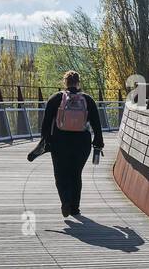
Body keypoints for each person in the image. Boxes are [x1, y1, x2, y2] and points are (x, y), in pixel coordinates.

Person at [40, 71, 104, 217]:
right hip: (82, 143)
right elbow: (96, 123)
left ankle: (65, 201)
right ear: (78, 82)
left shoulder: (56, 99)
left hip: (59, 142)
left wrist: (46, 141)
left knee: (61, 174)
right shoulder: (87, 100)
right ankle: (75, 208)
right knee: (76, 174)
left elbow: (46, 123)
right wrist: (98, 142)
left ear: (65, 82)